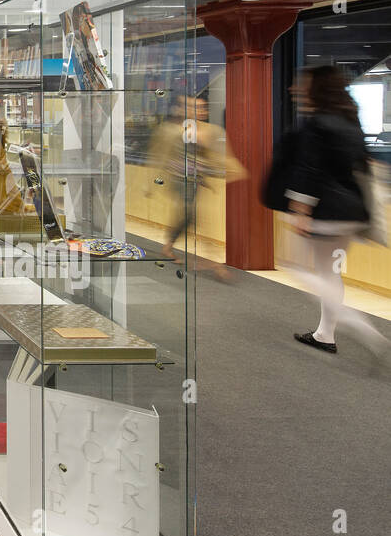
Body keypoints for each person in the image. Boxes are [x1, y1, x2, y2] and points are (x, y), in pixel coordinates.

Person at [265, 66, 375, 355]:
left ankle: (360, 325)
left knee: (295, 265)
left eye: (302, 84)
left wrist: (300, 209)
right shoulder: (350, 120)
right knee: (330, 273)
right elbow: (362, 164)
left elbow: (308, 169)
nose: (294, 89)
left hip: (324, 212)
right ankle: (325, 334)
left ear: (316, 87)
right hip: (351, 211)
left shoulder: (317, 124)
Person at [149, 90, 244, 263]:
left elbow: (206, 156)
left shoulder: (203, 129)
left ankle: (169, 246)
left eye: (202, 107)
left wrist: (209, 175)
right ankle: (212, 260)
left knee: (188, 215)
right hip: (179, 179)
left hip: (195, 180)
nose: (200, 111)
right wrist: (153, 183)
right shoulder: (184, 129)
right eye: (195, 107)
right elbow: (167, 152)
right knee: (191, 214)